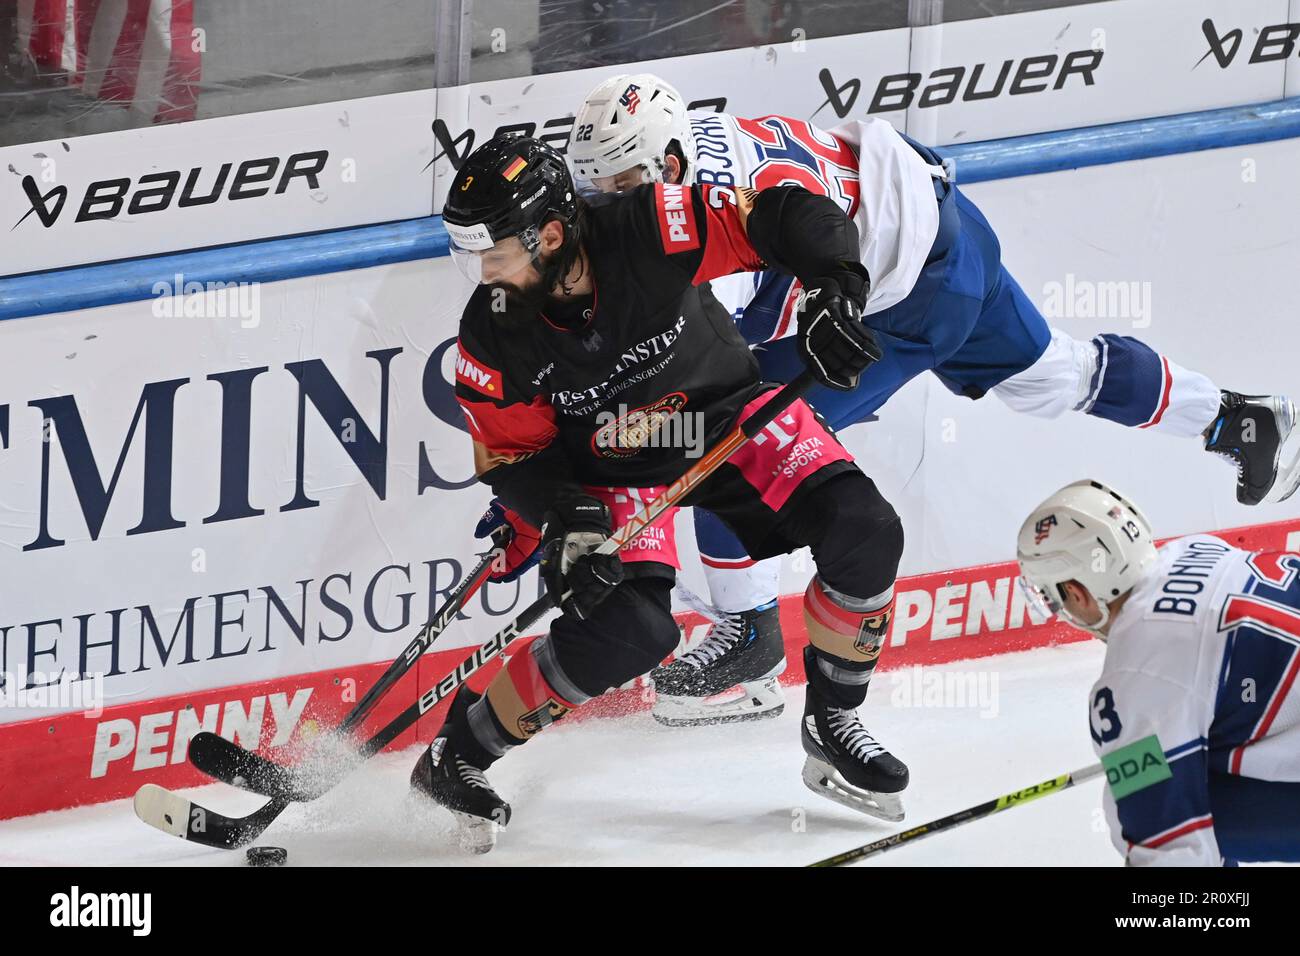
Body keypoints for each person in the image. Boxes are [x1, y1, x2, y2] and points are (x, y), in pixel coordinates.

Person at [562, 71, 1299, 728]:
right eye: (593, 188)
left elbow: (681, 372)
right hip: (943, 221)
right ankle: (1237, 418)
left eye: (618, 186)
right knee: (1050, 373)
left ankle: (751, 641)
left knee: (743, 444)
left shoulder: (694, 226)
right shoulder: (690, 142)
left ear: (665, 162)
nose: (606, 204)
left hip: (906, 291)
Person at [413, 132, 910, 851]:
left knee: (865, 530)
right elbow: (514, 459)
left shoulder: (649, 225)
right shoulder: (489, 339)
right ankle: (458, 754)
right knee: (632, 631)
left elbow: (784, 214)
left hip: (722, 415)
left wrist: (837, 286)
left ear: (550, 233)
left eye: (494, 251)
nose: (482, 272)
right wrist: (567, 518)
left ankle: (833, 719)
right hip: (608, 464)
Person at [1017, 479, 1300, 866]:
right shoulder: (1198, 548)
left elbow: (1170, 852)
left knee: (1134, 808)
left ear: (1077, 592)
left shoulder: (1133, 681)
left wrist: (1134, 770)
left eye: (1051, 596)